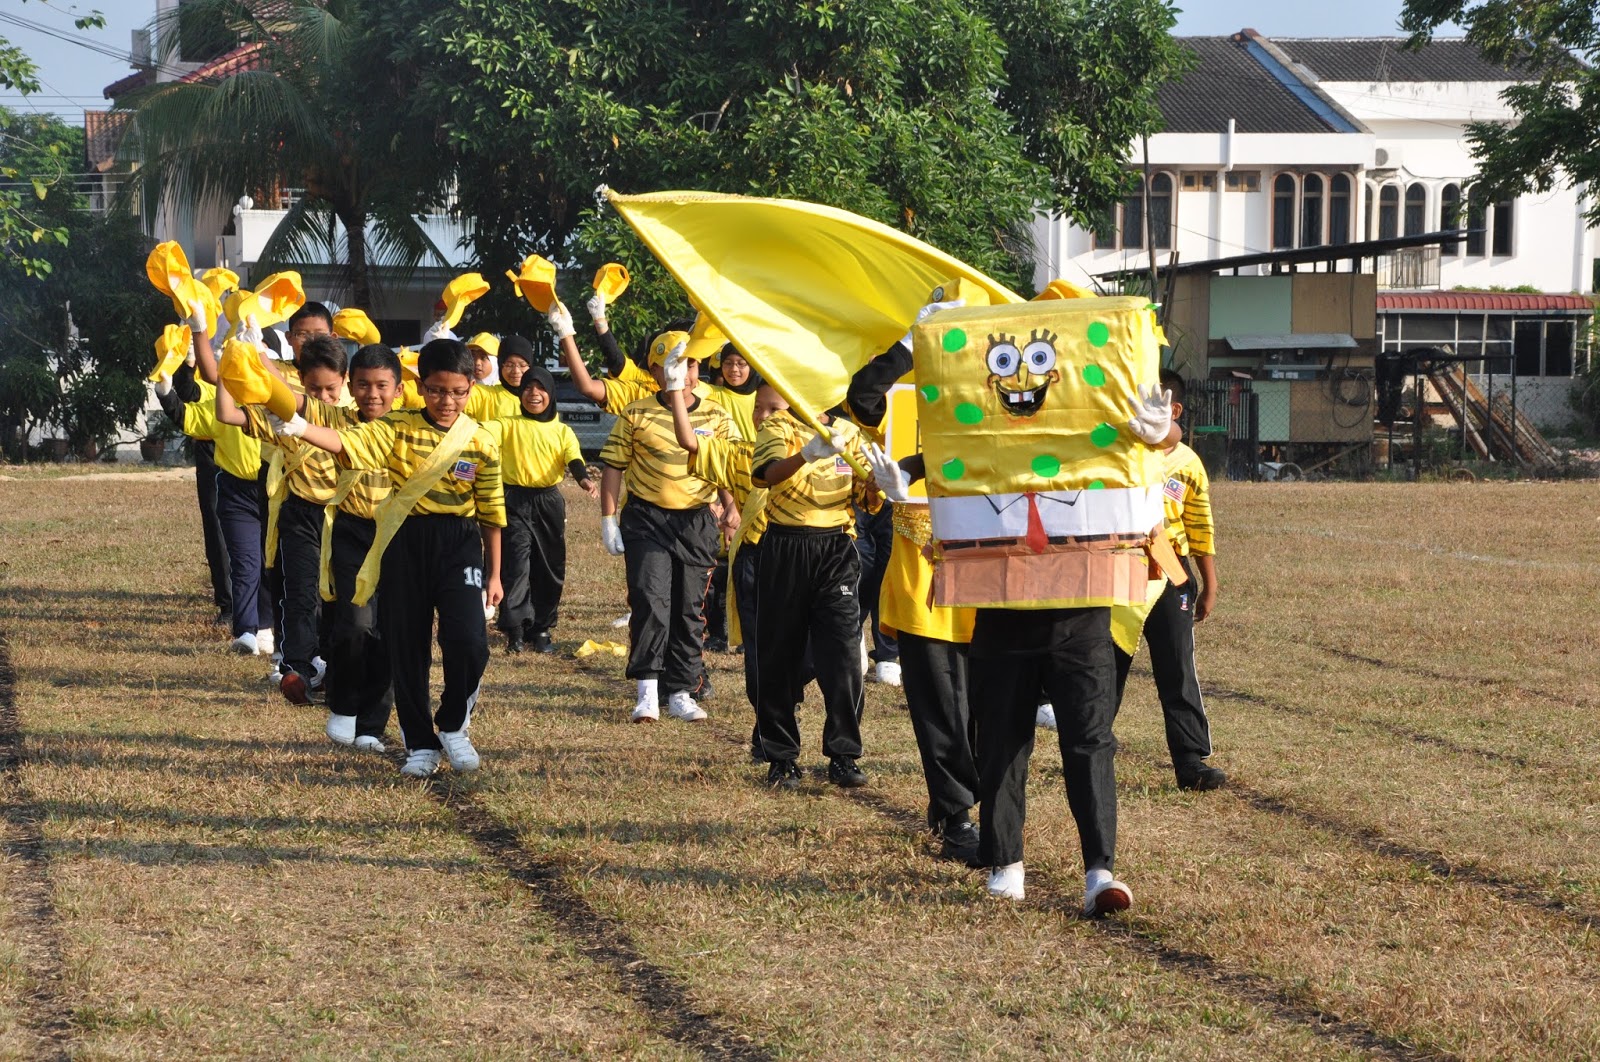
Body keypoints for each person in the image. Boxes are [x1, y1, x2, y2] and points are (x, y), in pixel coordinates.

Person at [284, 337, 506, 777]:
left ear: (471, 389)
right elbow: (352, 443)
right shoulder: (397, 427)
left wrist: (496, 573)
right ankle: (420, 743)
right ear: (421, 387)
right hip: (405, 541)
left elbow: (492, 511)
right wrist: (300, 428)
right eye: (438, 390)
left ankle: (454, 724)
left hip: (460, 544)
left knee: (469, 642)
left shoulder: (482, 441)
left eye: (458, 392)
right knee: (407, 646)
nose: (448, 401)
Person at [593, 324, 736, 723]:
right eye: (672, 363)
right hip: (648, 519)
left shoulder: (716, 414)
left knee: (690, 607)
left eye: (690, 362)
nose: (684, 371)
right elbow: (614, 466)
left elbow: (723, 465)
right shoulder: (636, 412)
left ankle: (682, 690)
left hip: (696, 521)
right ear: (654, 371)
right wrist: (608, 519)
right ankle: (648, 690)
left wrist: (730, 507)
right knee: (650, 601)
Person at [748, 385, 881, 791]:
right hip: (786, 544)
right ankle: (781, 757)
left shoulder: (850, 433)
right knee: (779, 655)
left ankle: (843, 754)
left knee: (842, 654)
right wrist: (805, 455)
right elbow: (766, 475)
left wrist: (880, 483)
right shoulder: (778, 425)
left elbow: (866, 495)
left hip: (836, 549)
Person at [215, 334, 348, 704]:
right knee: (301, 594)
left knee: (338, 597)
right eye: (314, 389)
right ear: (301, 384)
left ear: (345, 382)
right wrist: (231, 366)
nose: (323, 397)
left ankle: (335, 667)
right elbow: (226, 414)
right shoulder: (285, 416)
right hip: (301, 515)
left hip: (344, 517)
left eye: (331, 389)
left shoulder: (350, 415)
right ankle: (298, 669)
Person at [1112, 368, 1225, 791]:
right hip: (1121, 566)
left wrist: (1208, 583)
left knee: (1176, 664)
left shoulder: (1187, 462)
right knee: (1110, 662)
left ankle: (1190, 760)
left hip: (1172, 569)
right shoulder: (1120, 450)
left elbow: (1201, 525)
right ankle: (1093, 745)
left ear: (1173, 408)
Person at [313, 344, 401, 750]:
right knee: (355, 623)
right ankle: (344, 706)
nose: (372, 394)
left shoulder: (410, 427)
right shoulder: (340, 419)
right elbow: (293, 401)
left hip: (400, 535)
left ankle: (372, 724)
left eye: (382, 386)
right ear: (350, 386)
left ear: (398, 390)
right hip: (353, 532)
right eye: (363, 385)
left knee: (390, 632)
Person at [487, 361, 597, 654]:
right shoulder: (506, 424)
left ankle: (542, 628)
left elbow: (573, 459)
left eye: (540, 388)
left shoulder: (561, 430)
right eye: (527, 388)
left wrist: (585, 479)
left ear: (550, 393)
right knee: (516, 564)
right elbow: (478, 433)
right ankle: (515, 630)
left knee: (549, 567)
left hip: (548, 502)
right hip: (514, 501)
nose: (533, 393)